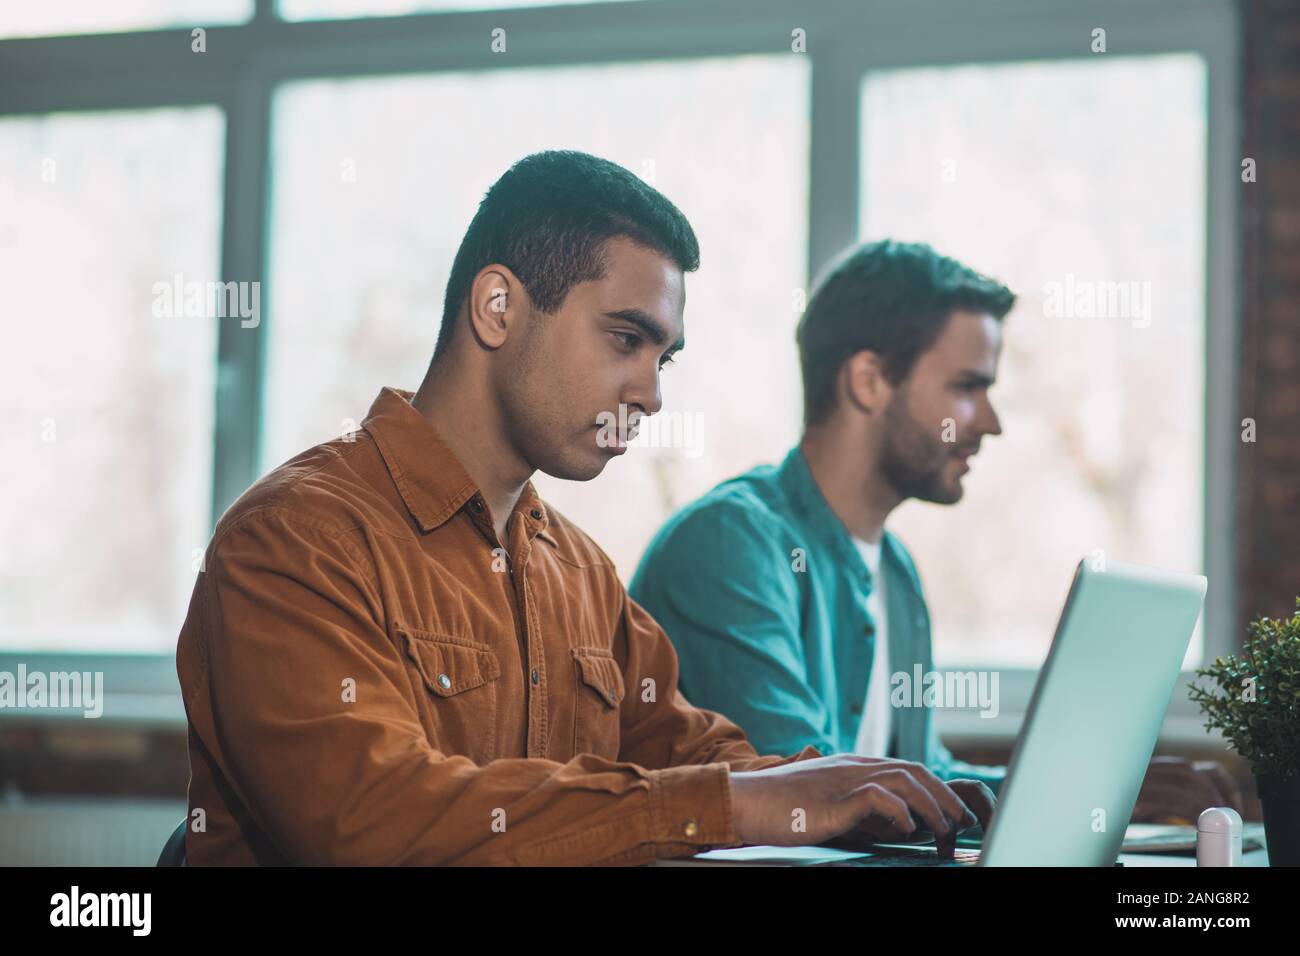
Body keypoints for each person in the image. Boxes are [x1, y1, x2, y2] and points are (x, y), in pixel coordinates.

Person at [175, 155, 990, 866]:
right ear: (498, 308)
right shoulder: (294, 541)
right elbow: (372, 820)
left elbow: (695, 751)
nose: (653, 392)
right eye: (626, 340)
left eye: (664, 357)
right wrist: (733, 806)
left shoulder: (578, 571)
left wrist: (848, 788)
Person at [629, 240, 1243, 823]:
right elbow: (808, 790)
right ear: (868, 380)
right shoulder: (730, 546)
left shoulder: (895, 572)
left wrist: (1099, 796)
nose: (993, 422)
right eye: (968, 387)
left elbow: (923, 774)